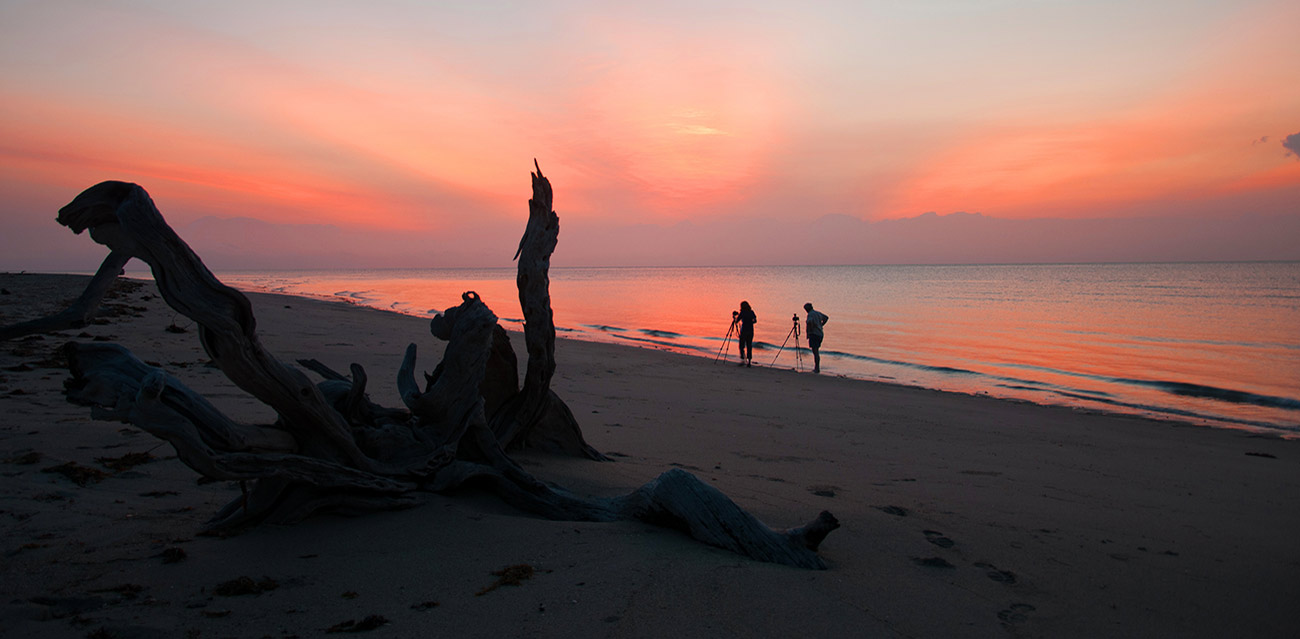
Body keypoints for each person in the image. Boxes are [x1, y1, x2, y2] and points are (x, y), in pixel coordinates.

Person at [803, 302, 829, 373]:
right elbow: (826, 318)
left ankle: (817, 368)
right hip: (820, 333)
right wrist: (821, 325)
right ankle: (817, 367)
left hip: (814, 334)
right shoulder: (817, 313)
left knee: (815, 351)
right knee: (816, 350)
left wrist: (809, 332)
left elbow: (809, 322)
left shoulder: (810, 314)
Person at [736, 301, 757, 367]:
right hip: (750, 331)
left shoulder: (742, 312)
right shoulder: (751, 312)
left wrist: (735, 317)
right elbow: (755, 320)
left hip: (744, 331)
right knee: (749, 346)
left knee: (741, 345)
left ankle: (743, 359)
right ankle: (749, 361)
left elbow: (737, 321)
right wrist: (750, 322)